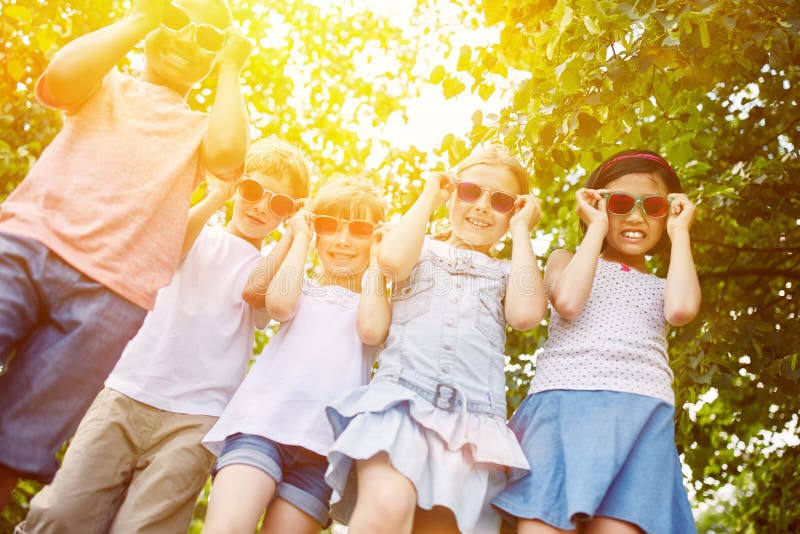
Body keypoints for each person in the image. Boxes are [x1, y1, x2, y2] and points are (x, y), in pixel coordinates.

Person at [0, 0, 252, 506]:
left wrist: (231, 66)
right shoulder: (106, 85)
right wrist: (142, 18)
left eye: (207, 38)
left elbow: (229, 156)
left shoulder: (200, 130)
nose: (187, 39)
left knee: (19, 443)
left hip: (109, 300)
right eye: (177, 21)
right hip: (26, 250)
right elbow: (61, 78)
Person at [14, 137, 310, 534]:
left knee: (145, 527)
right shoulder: (197, 232)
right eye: (253, 190)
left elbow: (262, 296)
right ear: (238, 186)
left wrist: (294, 235)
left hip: (196, 418)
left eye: (279, 203)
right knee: (62, 514)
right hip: (126, 391)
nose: (261, 206)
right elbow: (170, 247)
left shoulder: (271, 269)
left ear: (288, 213)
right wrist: (215, 196)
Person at [325, 145, 546, 534]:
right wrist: (429, 195)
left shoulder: (509, 270)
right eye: (470, 191)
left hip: (472, 424)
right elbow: (390, 261)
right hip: (402, 404)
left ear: (514, 211)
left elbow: (527, 314)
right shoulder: (420, 248)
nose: (481, 206)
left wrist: (523, 231)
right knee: (386, 509)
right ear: (452, 192)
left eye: (501, 201)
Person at [492, 149, 701, 534]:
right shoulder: (564, 259)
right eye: (620, 203)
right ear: (598, 205)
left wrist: (681, 231)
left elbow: (683, 310)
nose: (636, 217)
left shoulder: (665, 285)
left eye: (652, 206)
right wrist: (596, 228)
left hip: (641, 414)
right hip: (563, 406)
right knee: (542, 524)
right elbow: (569, 301)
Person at [201, 175, 390, 534]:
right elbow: (280, 305)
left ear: (376, 238)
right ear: (316, 232)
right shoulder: (301, 286)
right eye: (329, 226)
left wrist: (380, 262)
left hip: (323, 450)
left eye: (360, 230)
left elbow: (370, 330)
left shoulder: (377, 303)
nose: (343, 240)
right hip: (260, 426)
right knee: (226, 527)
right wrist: (299, 236)